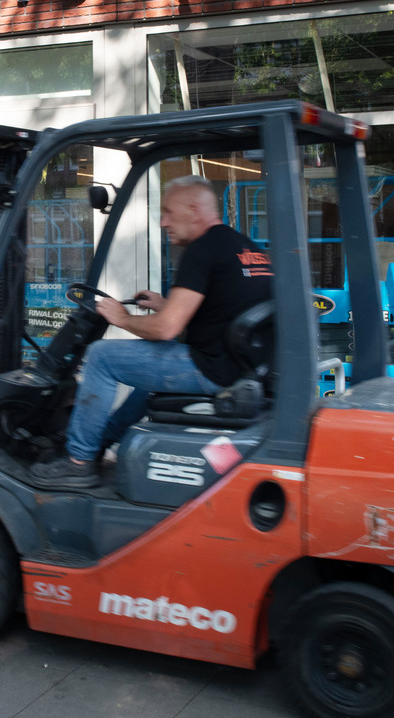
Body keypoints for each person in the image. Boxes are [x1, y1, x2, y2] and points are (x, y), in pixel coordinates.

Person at [28, 176, 274, 490]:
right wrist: (164, 304)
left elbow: (166, 329)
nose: (163, 222)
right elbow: (223, 308)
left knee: (102, 357)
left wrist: (122, 318)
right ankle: (100, 442)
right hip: (240, 366)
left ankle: (78, 461)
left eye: (169, 211)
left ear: (194, 210)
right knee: (147, 378)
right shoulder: (242, 247)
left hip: (215, 370)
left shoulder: (202, 249)